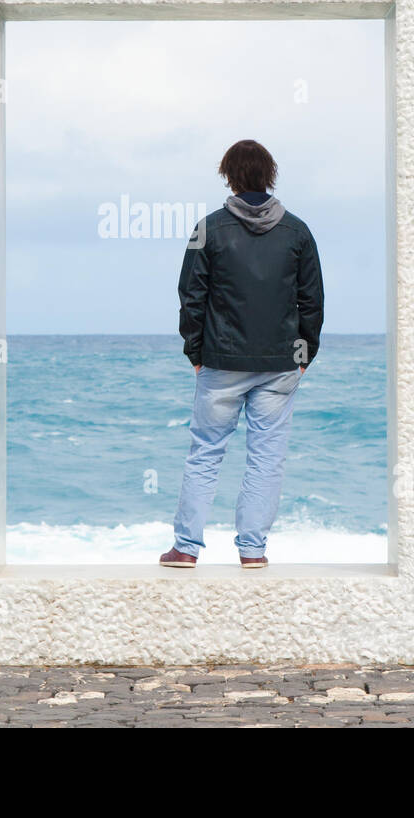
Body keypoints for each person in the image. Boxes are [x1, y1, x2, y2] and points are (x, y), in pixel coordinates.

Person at [160, 139, 324, 570]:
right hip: (280, 364)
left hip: (220, 361)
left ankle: (185, 549)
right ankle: (253, 550)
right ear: (269, 175)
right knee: (266, 458)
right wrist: (304, 354)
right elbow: (312, 301)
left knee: (205, 452)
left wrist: (195, 351)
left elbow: (190, 297)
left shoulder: (207, 228)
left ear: (228, 176)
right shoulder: (298, 231)